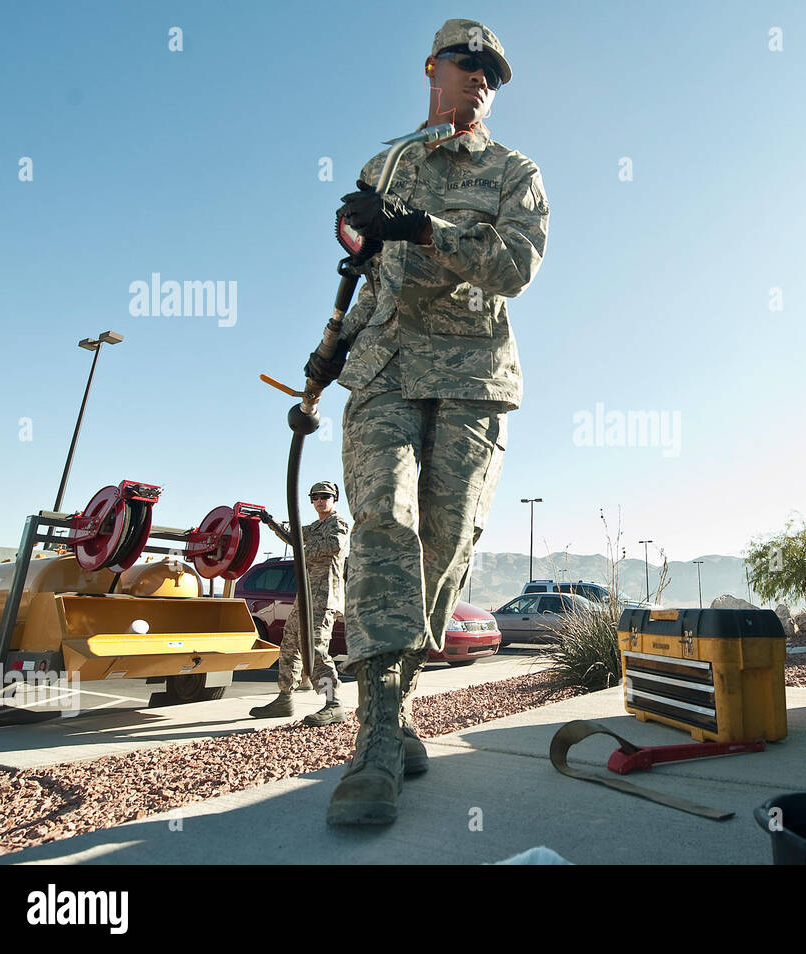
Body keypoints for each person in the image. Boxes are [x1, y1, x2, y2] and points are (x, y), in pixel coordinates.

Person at [306, 17, 548, 826]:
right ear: (431, 68)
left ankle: (401, 705)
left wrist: (423, 227)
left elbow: (515, 268)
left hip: (472, 377)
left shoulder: (515, 172)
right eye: (466, 62)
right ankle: (374, 737)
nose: (480, 76)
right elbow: (366, 279)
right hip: (381, 371)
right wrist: (327, 352)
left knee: (445, 545)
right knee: (382, 526)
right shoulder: (389, 162)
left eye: (492, 71)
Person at [249, 481, 351, 726]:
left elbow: (333, 545)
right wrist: (269, 521)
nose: (320, 500)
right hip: (304, 597)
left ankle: (333, 703)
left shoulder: (338, 523)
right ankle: (284, 698)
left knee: (315, 649)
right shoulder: (316, 526)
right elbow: (293, 535)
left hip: (323, 598)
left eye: (325, 496)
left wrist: (303, 548)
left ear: (334, 499)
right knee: (290, 645)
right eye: (315, 497)